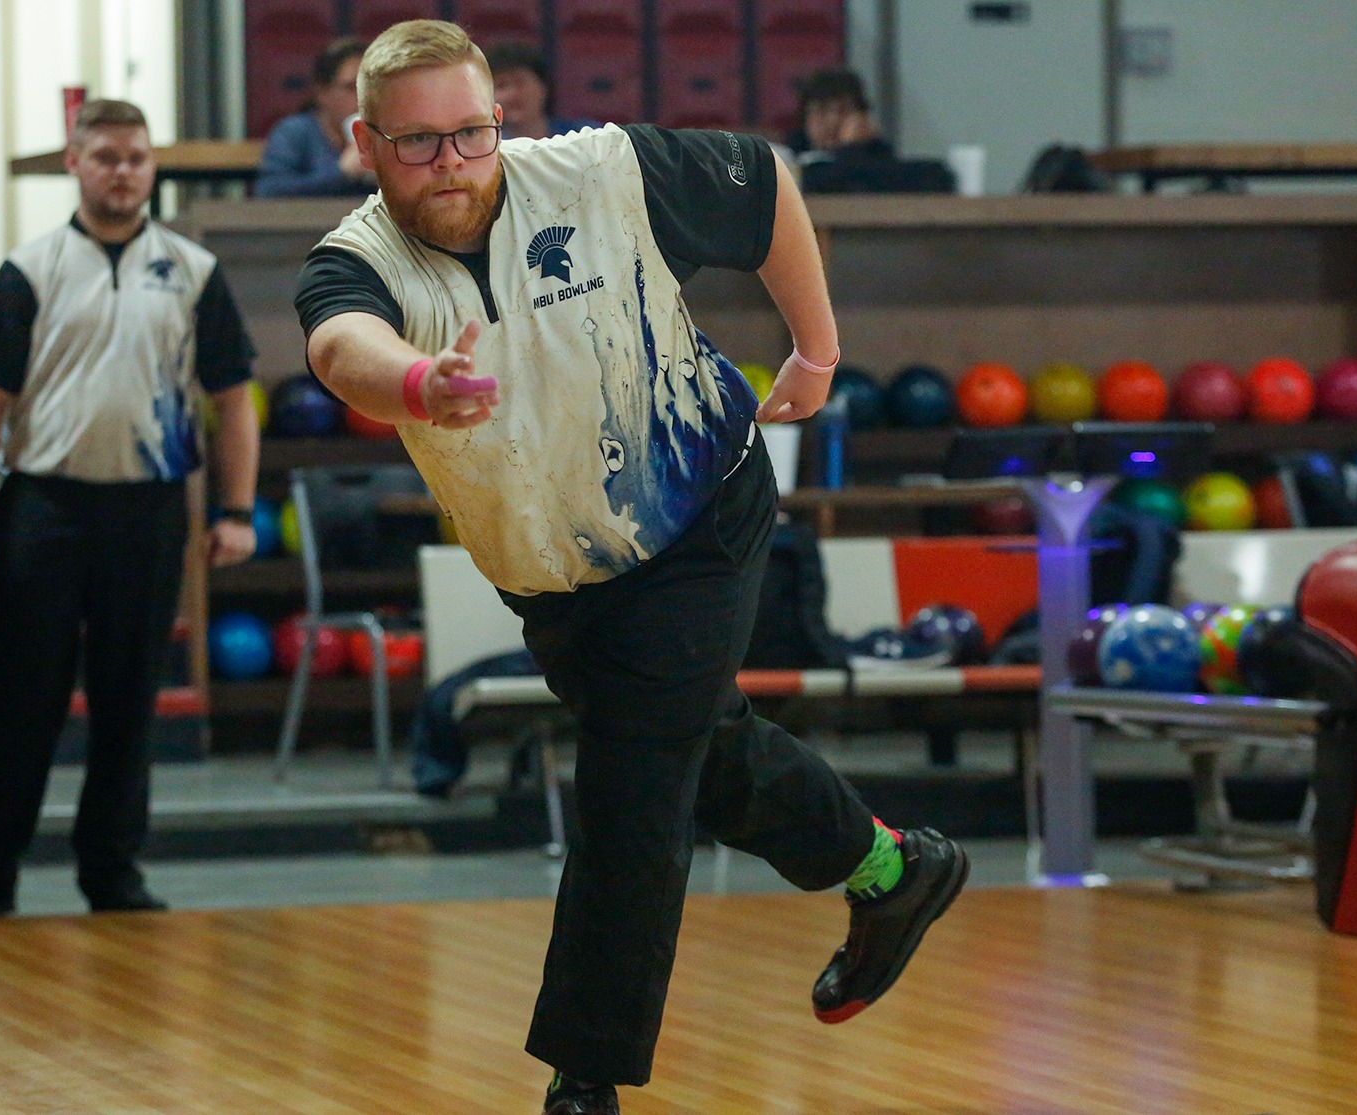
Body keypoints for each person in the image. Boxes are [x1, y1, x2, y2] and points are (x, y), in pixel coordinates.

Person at [296, 21, 968, 1114]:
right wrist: (421, 384)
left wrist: (817, 346)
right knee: (700, 746)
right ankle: (892, 869)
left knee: (631, 778)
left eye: (469, 134)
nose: (451, 164)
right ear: (364, 142)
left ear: (497, 121)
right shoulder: (355, 258)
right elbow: (339, 349)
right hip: (552, 573)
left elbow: (761, 184)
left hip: (698, 507)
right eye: (417, 145)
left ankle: (585, 1075)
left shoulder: (600, 172)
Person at [0, 98, 261, 916]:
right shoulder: (30, 267)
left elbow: (232, 399)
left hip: (150, 508)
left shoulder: (192, 270)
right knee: (22, 698)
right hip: (42, 505)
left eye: (136, 158)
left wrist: (236, 508)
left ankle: (111, 870)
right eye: (107, 157)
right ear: (74, 165)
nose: (123, 171)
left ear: (151, 168)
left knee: (129, 699)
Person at [788, 68, 953, 195]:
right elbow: (824, 184)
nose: (833, 122)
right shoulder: (791, 160)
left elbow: (935, 178)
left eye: (844, 110)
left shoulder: (877, 160)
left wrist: (856, 148)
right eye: (821, 111)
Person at [255, 38, 374, 198]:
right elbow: (269, 191)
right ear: (322, 93)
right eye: (350, 87)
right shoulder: (294, 132)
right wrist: (341, 173)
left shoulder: (388, 133)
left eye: (371, 86)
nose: (363, 97)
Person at [484, 42, 597, 140]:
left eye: (520, 83)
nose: (512, 94)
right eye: (501, 85)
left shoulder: (585, 135)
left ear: (543, 87)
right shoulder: (485, 148)